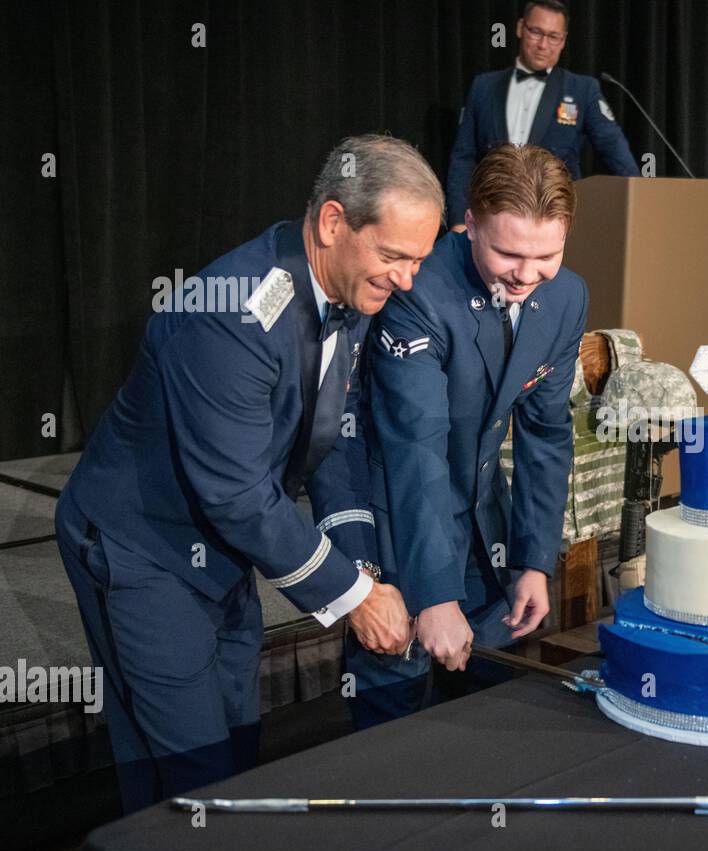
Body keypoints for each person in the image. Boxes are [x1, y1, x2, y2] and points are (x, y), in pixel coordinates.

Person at [53, 135, 437, 811]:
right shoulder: (229, 314)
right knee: (185, 768)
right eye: (395, 256)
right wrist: (352, 596)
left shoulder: (352, 292)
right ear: (332, 222)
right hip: (141, 547)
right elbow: (235, 494)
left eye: (420, 261)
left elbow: (331, 437)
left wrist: (359, 566)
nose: (407, 278)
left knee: (237, 744)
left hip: (226, 552)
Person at [355, 144, 587, 726]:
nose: (527, 276)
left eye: (547, 256)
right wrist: (432, 595)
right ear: (470, 222)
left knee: (489, 707)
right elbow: (417, 450)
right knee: (394, 715)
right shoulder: (419, 292)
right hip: (402, 522)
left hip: (488, 526)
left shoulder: (565, 298)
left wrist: (534, 559)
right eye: (508, 252)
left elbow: (546, 434)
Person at [446, 0, 638, 230]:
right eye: (536, 32)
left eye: (553, 36)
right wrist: (458, 219)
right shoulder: (484, 86)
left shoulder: (582, 90)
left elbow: (615, 150)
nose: (543, 45)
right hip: (492, 217)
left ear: (564, 40)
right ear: (520, 28)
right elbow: (463, 158)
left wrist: (640, 199)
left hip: (551, 222)